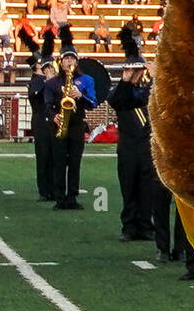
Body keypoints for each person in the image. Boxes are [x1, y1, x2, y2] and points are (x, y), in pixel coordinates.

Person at [109, 28, 158, 243]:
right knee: (128, 185)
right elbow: (116, 101)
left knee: (146, 187)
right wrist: (126, 79)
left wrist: (153, 76)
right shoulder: (123, 91)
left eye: (137, 69)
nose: (135, 72)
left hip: (146, 145)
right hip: (128, 145)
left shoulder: (150, 89)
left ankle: (146, 226)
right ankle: (129, 226)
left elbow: (154, 97)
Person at [42, 26, 98, 209]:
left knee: (75, 163)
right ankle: (59, 198)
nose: (69, 61)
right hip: (58, 125)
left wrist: (80, 96)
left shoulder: (86, 80)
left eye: (72, 58)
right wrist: (54, 116)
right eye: (66, 58)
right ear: (61, 61)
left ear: (77, 60)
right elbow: (47, 104)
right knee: (58, 163)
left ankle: (72, 197)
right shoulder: (52, 83)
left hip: (76, 125)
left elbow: (93, 102)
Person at [24, 30, 57, 202]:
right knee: (43, 156)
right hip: (41, 122)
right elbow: (38, 96)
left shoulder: (52, 79)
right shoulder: (35, 82)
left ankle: (56, 188)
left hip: (54, 121)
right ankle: (45, 190)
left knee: (55, 157)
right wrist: (50, 80)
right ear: (37, 67)